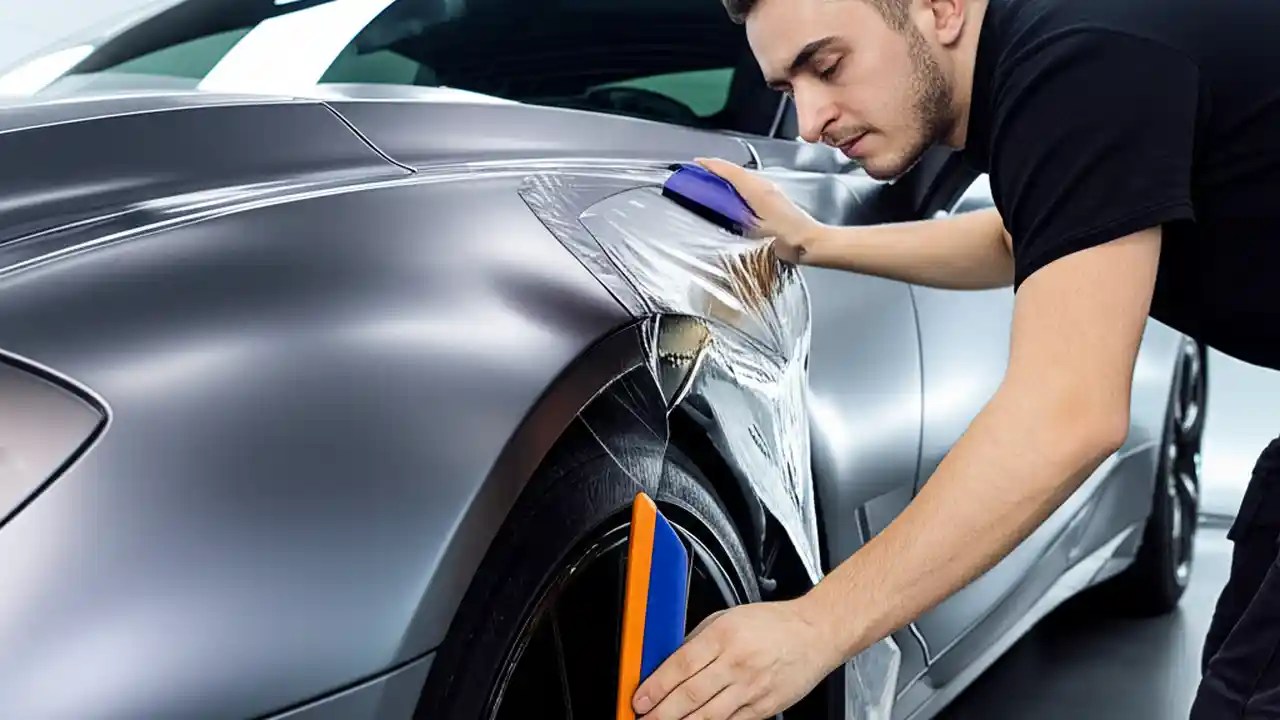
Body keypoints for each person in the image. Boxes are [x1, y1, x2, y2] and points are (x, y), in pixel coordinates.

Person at [627, 0, 1280, 718]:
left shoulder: (1078, 61)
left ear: (941, 8)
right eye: (790, 90)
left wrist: (815, 626)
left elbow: (1069, 416)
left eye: (828, 65)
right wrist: (817, 243)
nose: (812, 121)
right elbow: (1019, 239)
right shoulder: (1065, 54)